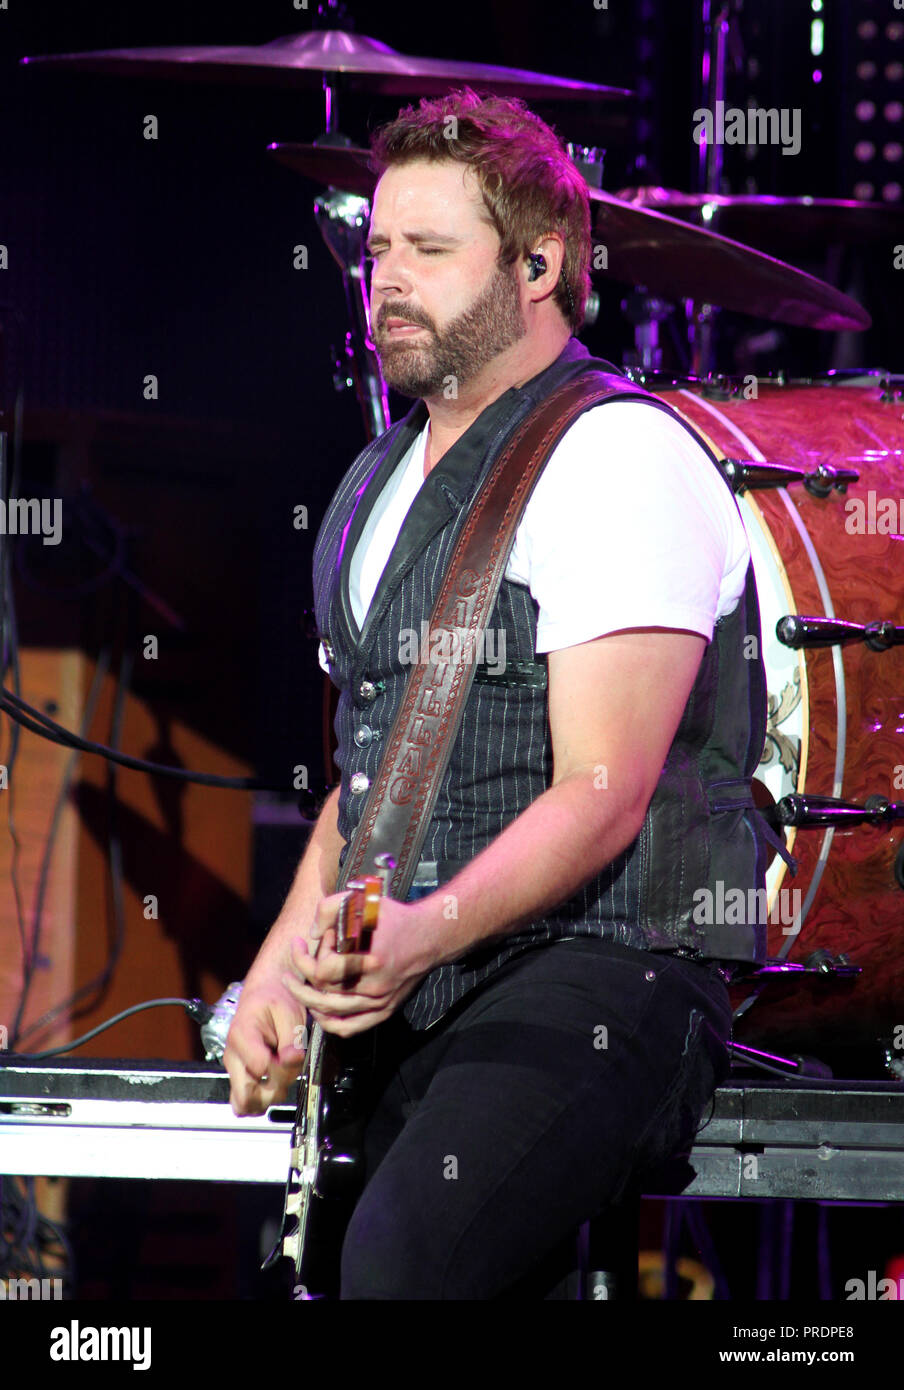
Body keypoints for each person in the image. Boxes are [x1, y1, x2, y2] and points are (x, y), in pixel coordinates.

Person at [225, 88, 771, 1300]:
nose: (387, 280)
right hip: (435, 967)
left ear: (539, 264)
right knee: (306, 1268)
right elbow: (376, 778)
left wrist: (421, 932)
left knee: (404, 1265)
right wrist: (270, 971)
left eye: (428, 249)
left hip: (605, 967)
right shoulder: (375, 481)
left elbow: (603, 791)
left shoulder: (617, 458)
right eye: (376, 250)